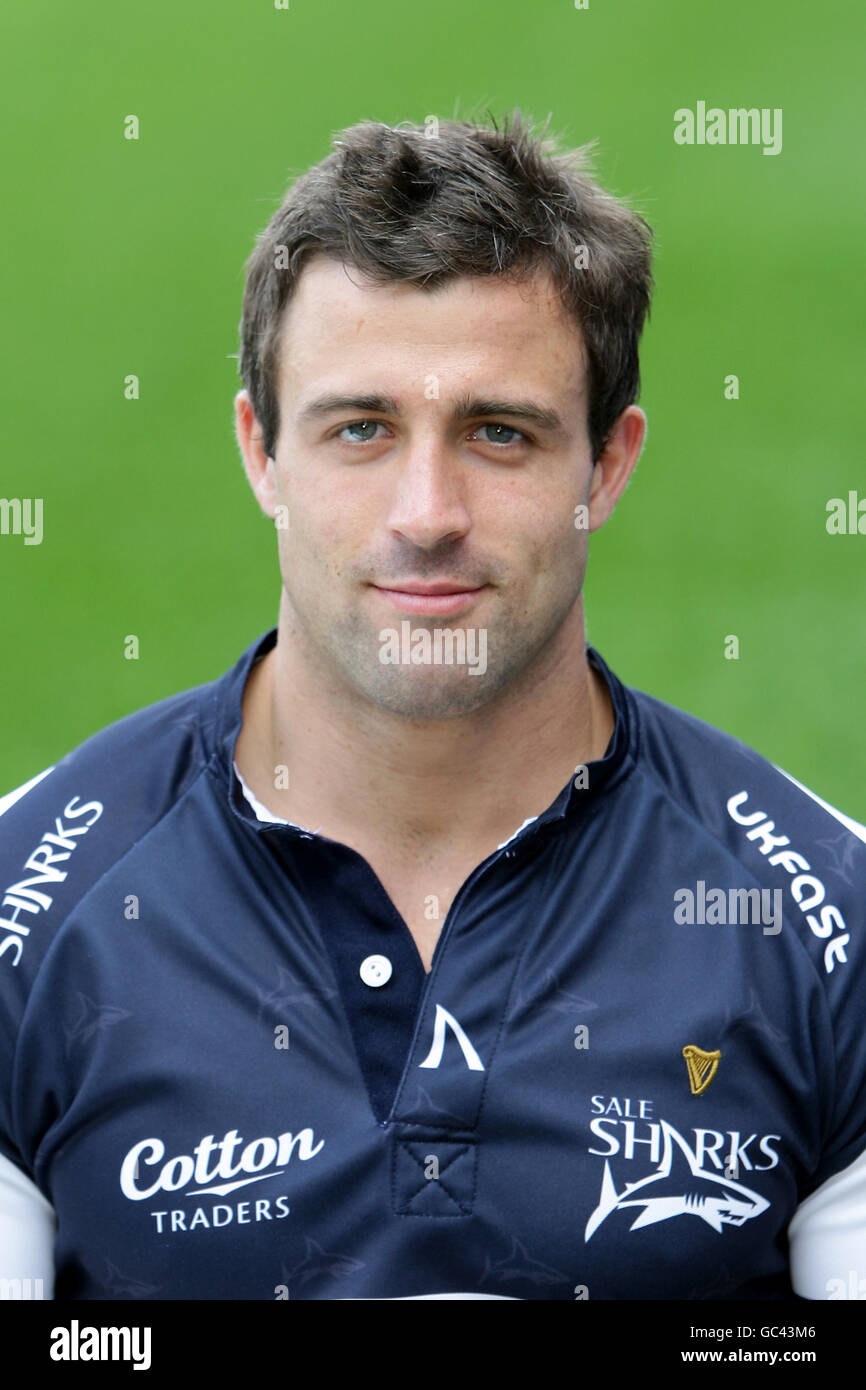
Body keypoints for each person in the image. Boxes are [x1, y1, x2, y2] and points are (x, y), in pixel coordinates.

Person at [1, 112, 863, 1301]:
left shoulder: (824, 924)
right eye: (360, 428)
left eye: (496, 432)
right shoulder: (28, 910)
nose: (425, 511)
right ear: (261, 452)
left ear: (605, 464)